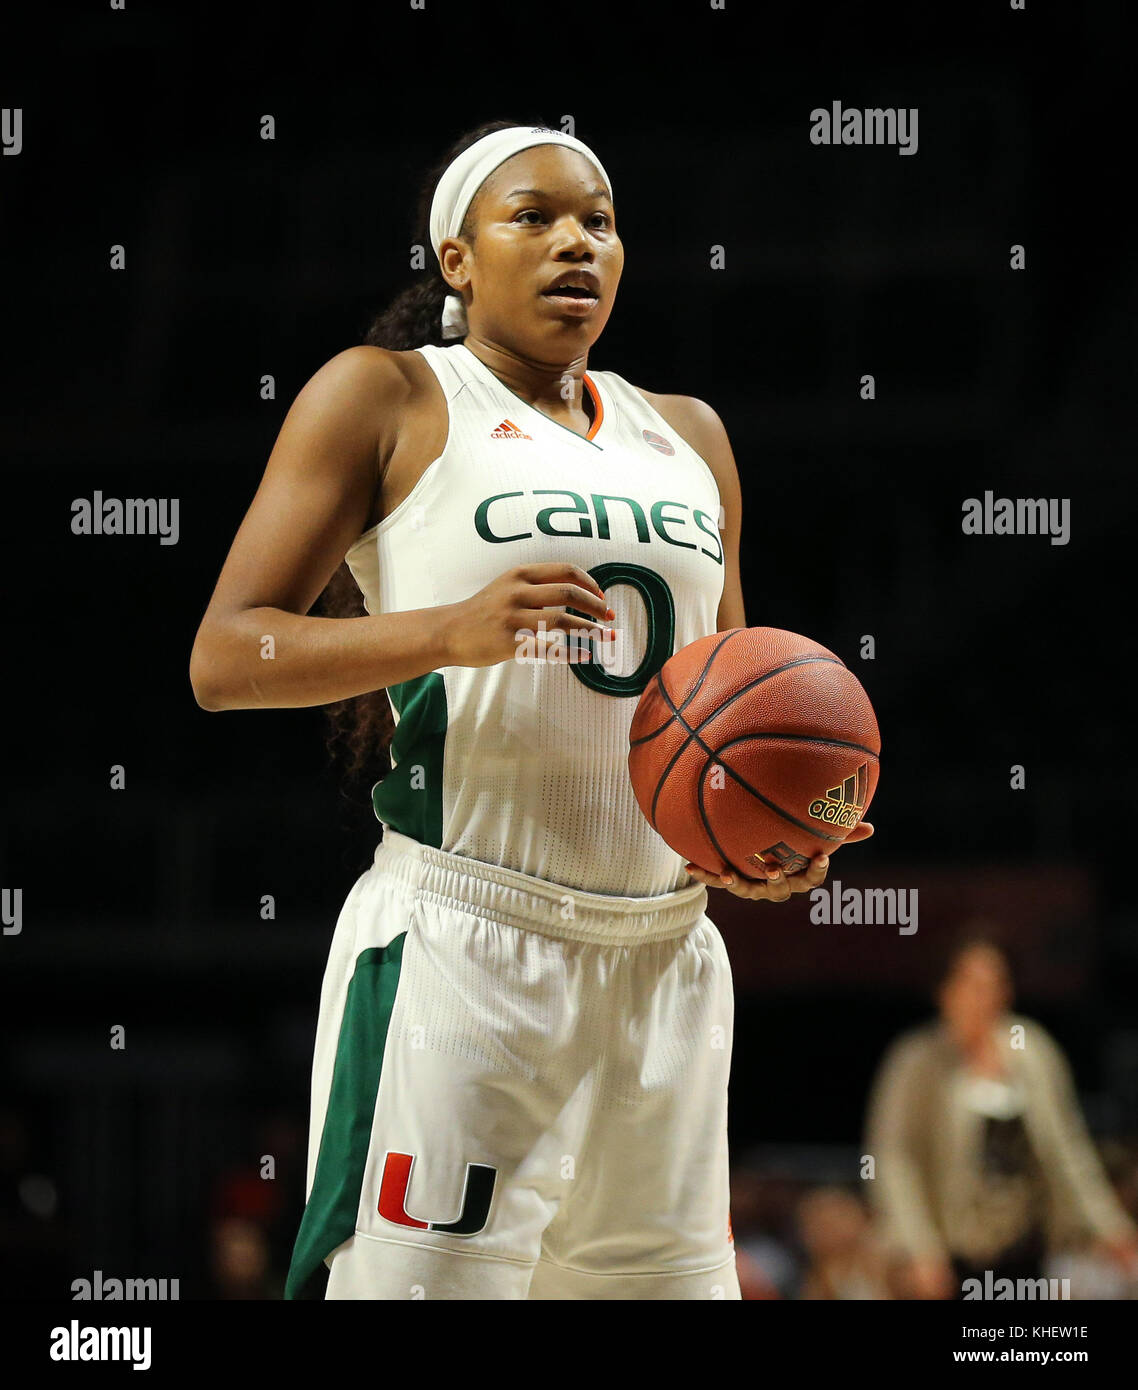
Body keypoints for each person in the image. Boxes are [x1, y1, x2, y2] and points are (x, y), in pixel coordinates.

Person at [189, 118, 871, 1301]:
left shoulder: (689, 435)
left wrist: (762, 837)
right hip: (466, 945)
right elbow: (223, 654)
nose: (575, 244)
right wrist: (444, 632)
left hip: (664, 958)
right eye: (534, 218)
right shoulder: (387, 397)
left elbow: (721, 695)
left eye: (598, 223)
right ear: (456, 257)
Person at [864, 926, 1138, 1299]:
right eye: (972, 983)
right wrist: (917, 1248)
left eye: (993, 984)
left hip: (1026, 1245)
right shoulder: (917, 1061)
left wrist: (1108, 1226)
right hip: (950, 1252)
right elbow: (893, 1162)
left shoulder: (1033, 1051)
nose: (983, 996)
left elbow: (1067, 1149)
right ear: (945, 991)